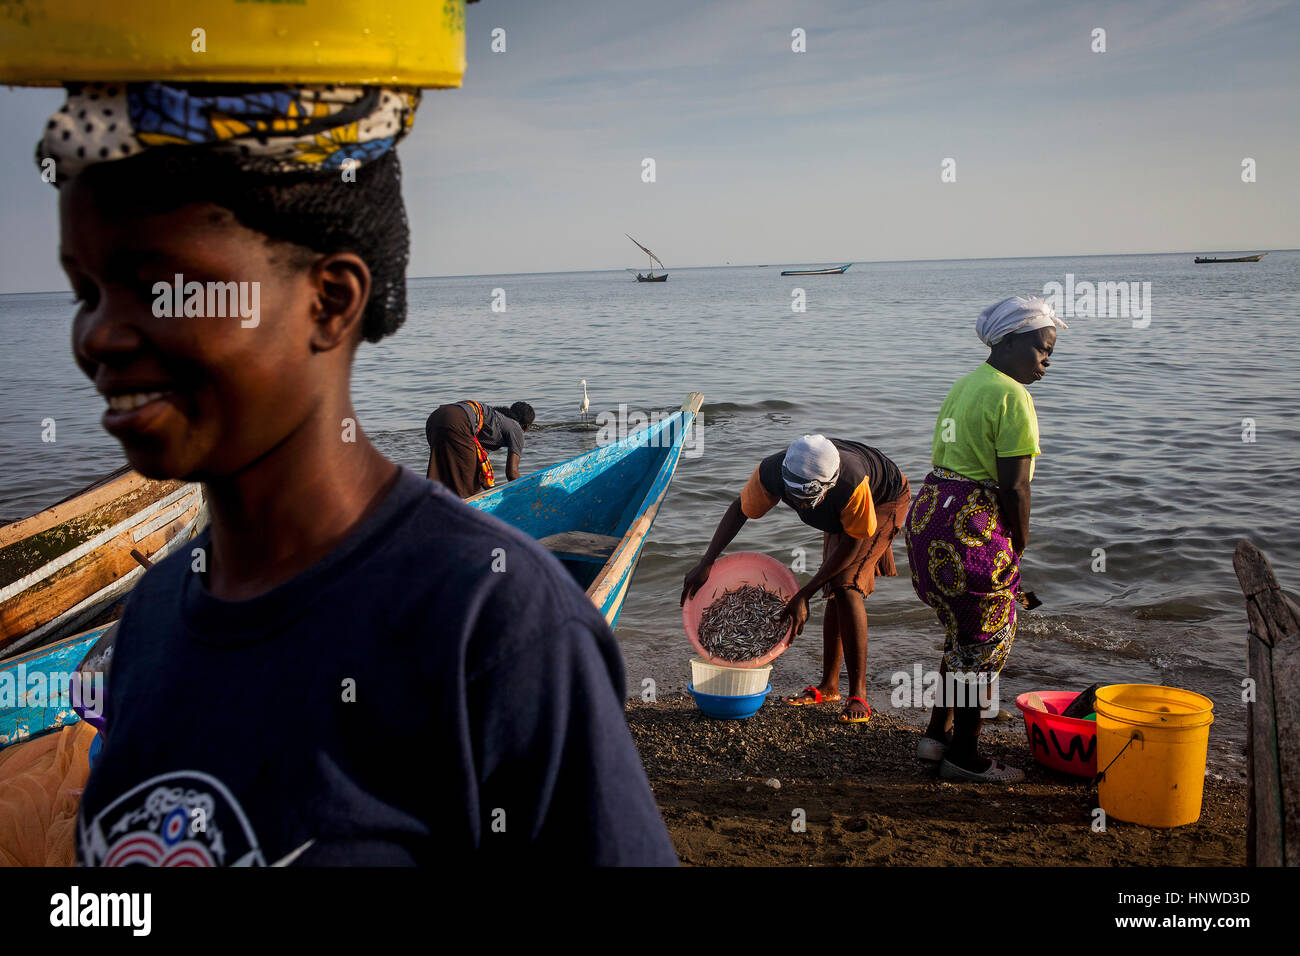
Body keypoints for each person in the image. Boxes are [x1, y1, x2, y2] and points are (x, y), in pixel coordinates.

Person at [42, 82, 677, 866]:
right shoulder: (152, 619)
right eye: (85, 291)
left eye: (162, 287)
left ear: (329, 301)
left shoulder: (497, 632)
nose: (99, 334)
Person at [905, 295, 1066, 783]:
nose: (1046, 362)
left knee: (961, 637)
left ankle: (936, 738)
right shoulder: (1013, 396)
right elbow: (1015, 484)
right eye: (1041, 349)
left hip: (930, 518)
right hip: (970, 530)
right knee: (983, 643)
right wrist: (1019, 543)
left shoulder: (966, 383)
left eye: (1050, 353)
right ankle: (965, 757)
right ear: (1010, 341)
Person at [681, 435, 910, 724]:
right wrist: (706, 561)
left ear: (829, 485)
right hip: (841, 509)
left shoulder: (851, 485)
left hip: (883, 499)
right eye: (797, 500)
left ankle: (858, 695)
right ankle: (828, 687)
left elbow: (853, 543)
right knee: (834, 587)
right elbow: (741, 509)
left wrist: (805, 593)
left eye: (810, 500)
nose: (803, 507)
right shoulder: (771, 473)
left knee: (846, 585)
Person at [425, 399, 534, 498]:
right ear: (525, 427)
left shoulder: (494, 420)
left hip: (436, 418)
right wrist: (529, 493)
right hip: (458, 420)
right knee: (470, 488)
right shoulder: (516, 428)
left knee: (442, 473)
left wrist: (490, 490)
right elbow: (512, 473)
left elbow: (477, 463)